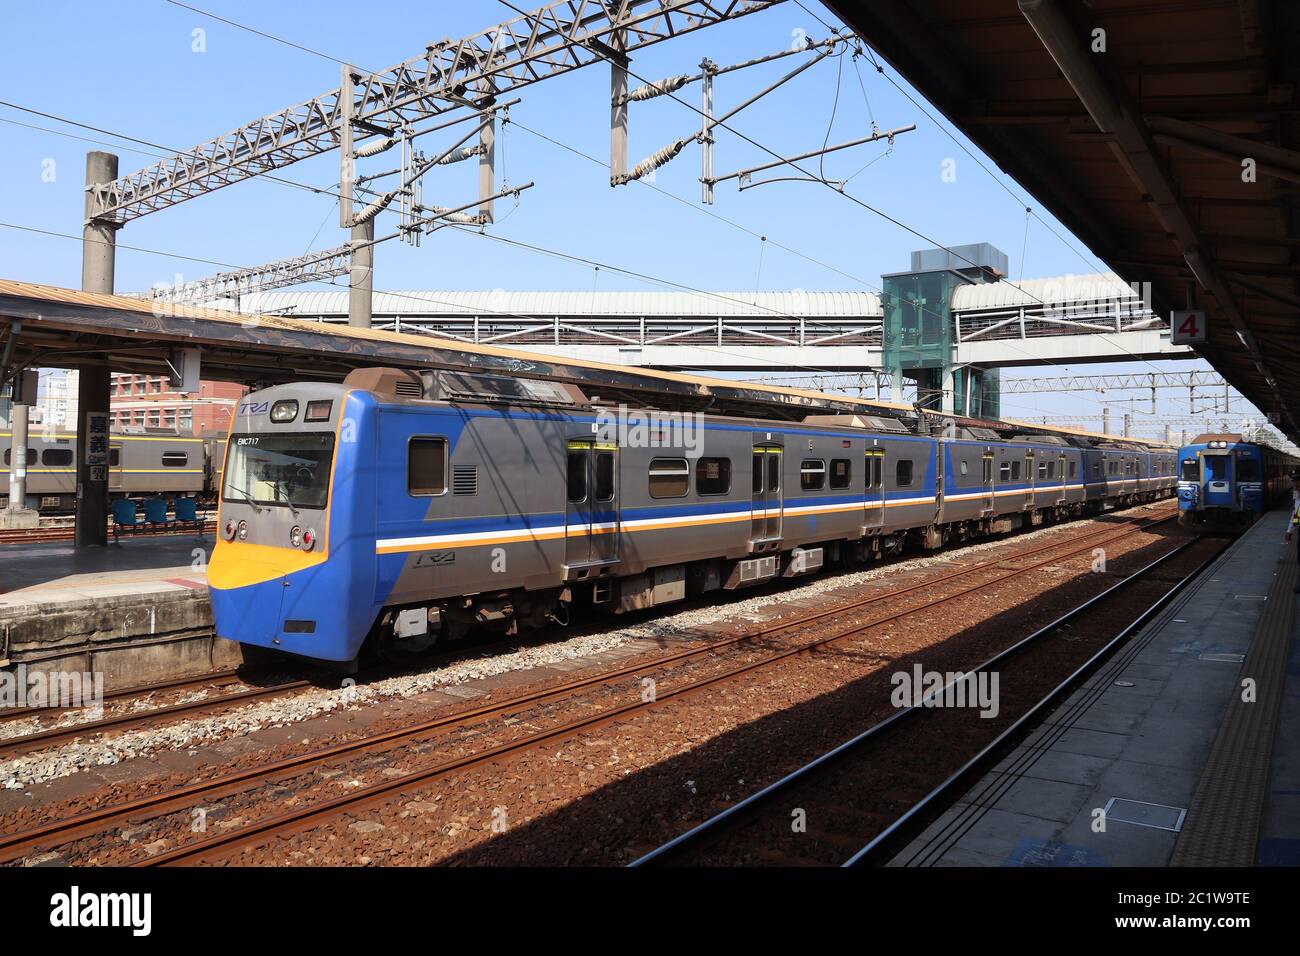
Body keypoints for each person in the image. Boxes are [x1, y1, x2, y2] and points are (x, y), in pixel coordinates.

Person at [1286, 472, 1300, 592]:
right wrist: (1290, 530)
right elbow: (1296, 515)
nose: (1294, 486)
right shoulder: (1298, 498)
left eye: (1296, 484)